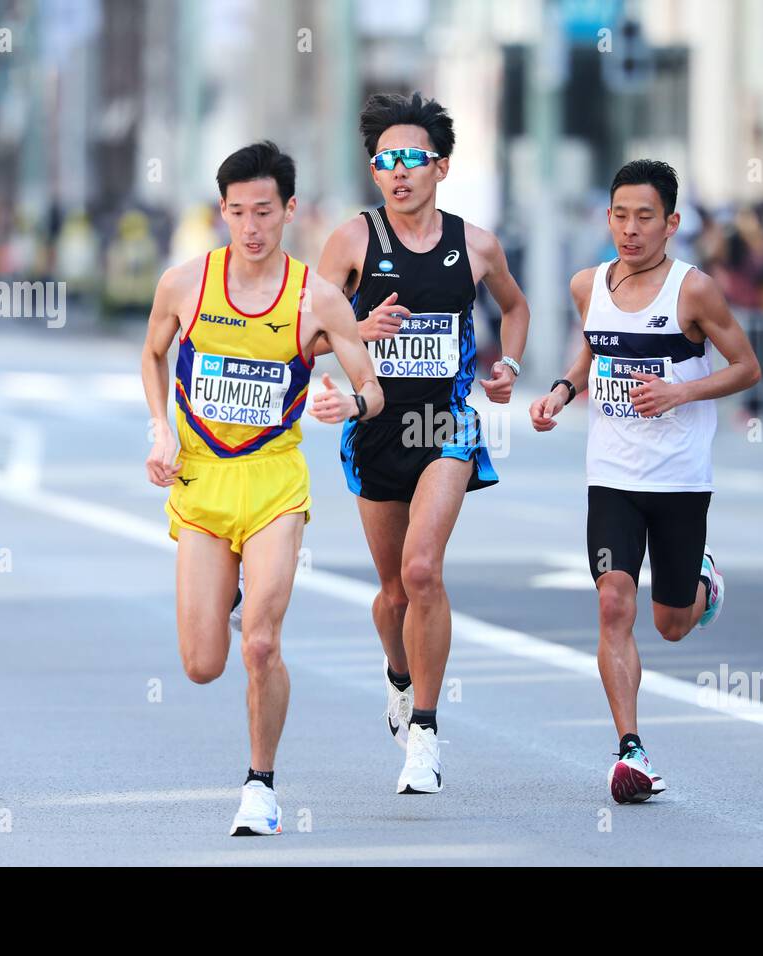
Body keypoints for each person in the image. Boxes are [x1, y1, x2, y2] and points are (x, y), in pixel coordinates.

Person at [141, 141, 383, 834]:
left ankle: (261, 787)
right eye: (238, 212)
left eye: (265, 212)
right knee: (201, 664)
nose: (251, 227)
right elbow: (154, 353)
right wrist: (161, 429)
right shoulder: (186, 284)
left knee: (260, 646)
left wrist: (351, 406)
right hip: (201, 482)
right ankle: (233, 593)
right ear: (222, 212)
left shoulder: (317, 298)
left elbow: (373, 385)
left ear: (290, 211)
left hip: (275, 482)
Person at [316, 92, 530, 794]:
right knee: (389, 594)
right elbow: (306, 330)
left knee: (422, 572)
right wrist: (355, 332)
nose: (398, 172)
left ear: (440, 167)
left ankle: (427, 736)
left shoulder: (475, 244)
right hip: (375, 423)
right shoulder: (352, 240)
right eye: (385, 161)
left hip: (446, 423)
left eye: (411, 159)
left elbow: (516, 305)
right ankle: (398, 673)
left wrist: (511, 367)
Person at [529, 159, 761, 804]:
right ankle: (630, 749)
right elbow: (593, 348)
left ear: (671, 223)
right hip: (611, 475)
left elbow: (746, 367)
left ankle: (702, 586)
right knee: (612, 601)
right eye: (620, 216)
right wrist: (561, 390)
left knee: (671, 625)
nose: (630, 230)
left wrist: (679, 392)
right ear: (607, 218)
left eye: (645, 218)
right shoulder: (587, 284)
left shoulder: (694, 292)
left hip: (681, 478)